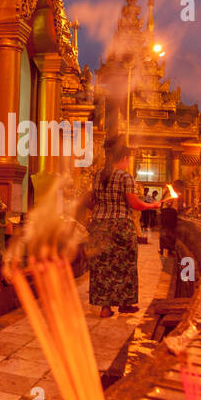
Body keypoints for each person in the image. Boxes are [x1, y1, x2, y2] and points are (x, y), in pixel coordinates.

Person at [87, 135, 152, 317]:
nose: (128, 163)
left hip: (99, 225)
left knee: (102, 265)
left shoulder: (98, 175)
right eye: (128, 160)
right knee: (125, 264)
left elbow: (93, 200)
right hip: (120, 225)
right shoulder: (125, 176)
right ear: (123, 159)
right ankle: (125, 303)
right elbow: (135, 203)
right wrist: (151, 205)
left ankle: (105, 308)